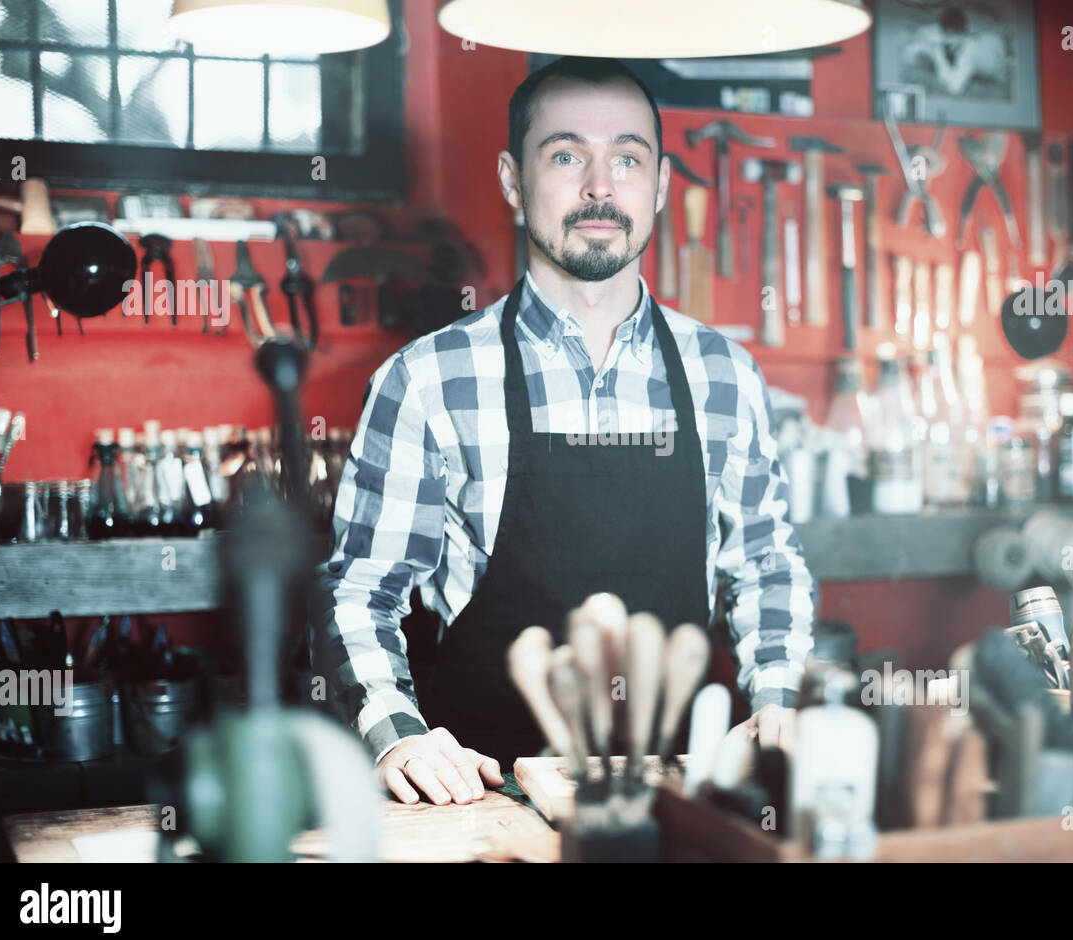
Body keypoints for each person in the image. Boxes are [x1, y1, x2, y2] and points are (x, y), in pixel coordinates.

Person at [311, 56, 816, 806]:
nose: (600, 187)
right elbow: (358, 592)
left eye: (628, 158)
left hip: (677, 803)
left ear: (662, 185)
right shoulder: (427, 379)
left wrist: (776, 704)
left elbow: (766, 565)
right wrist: (399, 734)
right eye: (567, 154)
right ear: (514, 182)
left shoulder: (725, 374)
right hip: (480, 801)